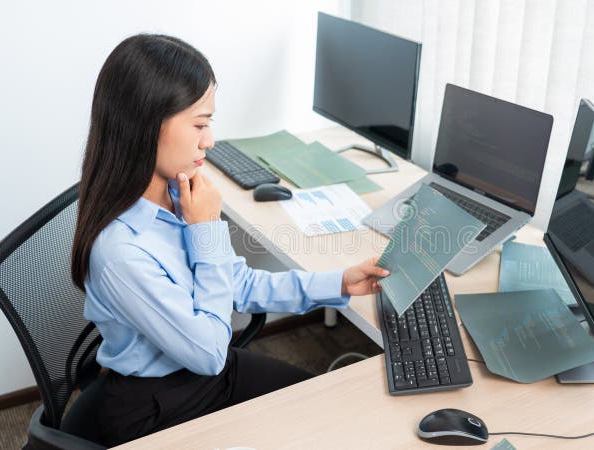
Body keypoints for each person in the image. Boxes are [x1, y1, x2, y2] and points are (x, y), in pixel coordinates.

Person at [70, 33, 388, 446]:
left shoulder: (177, 195)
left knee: (323, 402)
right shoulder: (120, 253)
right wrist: (207, 231)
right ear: (146, 126)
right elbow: (209, 353)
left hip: (203, 370)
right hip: (157, 405)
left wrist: (338, 282)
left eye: (210, 123)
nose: (210, 140)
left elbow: (236, 283)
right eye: (199, 124)